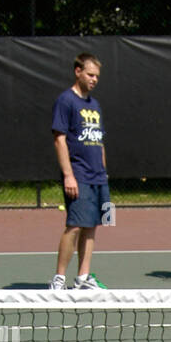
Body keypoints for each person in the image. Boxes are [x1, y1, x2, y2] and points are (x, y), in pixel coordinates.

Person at [49, 52, 109, 292]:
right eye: (90, 74)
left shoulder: (95, 105)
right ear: (78, 72)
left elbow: (100, 141)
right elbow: (59, 140)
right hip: (79, 175)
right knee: (75, 225)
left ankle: (83, 277)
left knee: (95, 223)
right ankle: (59, 279)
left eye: (97, 76)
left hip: (99, 178)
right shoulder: (65, 101)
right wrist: (69, 175)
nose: (94, 79)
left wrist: (104, 172)